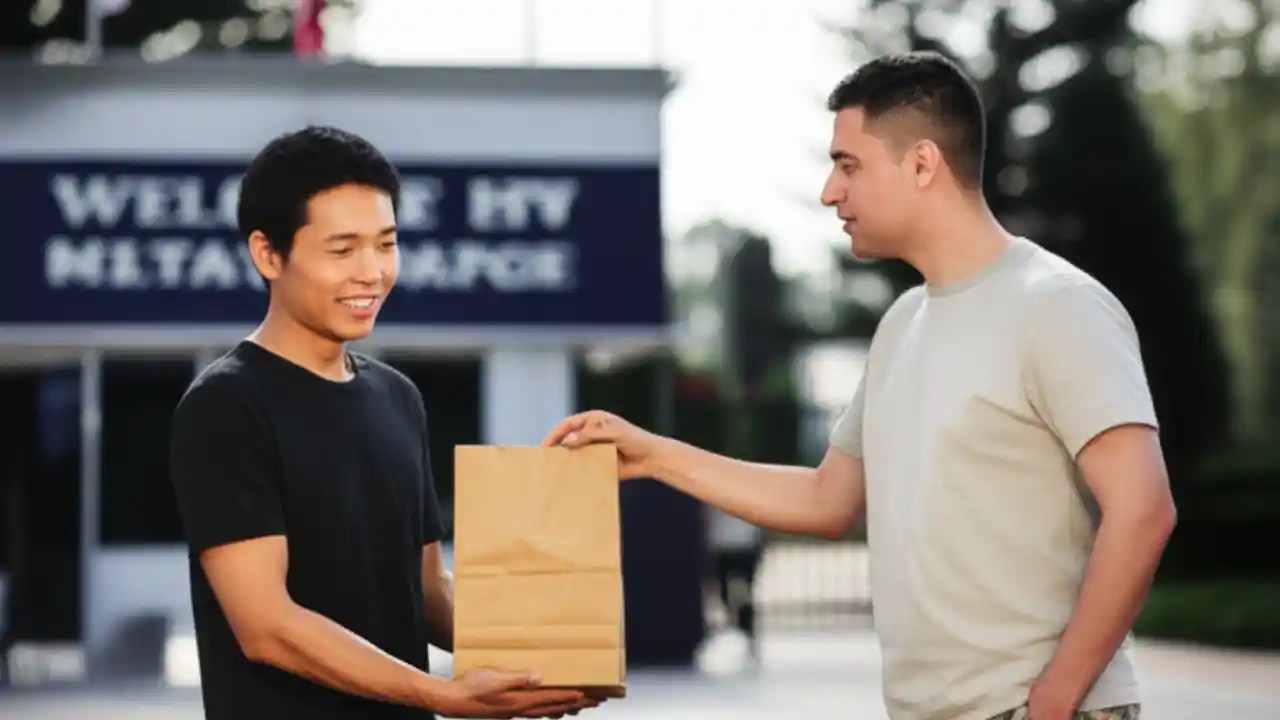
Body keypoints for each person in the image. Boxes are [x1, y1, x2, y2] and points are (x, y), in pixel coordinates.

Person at [544, 52, 1176, 720]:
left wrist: (1055, 700)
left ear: (923, 164)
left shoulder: (1055, 305)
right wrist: (654, 456)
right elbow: (828, 499)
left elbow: (1142, 510)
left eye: (849, 165)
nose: (828, 191)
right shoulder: (904, 325)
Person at [169, 126, 600, 720]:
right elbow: (266, 625)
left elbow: (426, 593)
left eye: (386, 244)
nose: (371, 272)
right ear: (268, 253)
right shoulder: (225, 407)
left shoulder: (398, 397)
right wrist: (446, 694)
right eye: (342, 250)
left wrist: (559, 657)